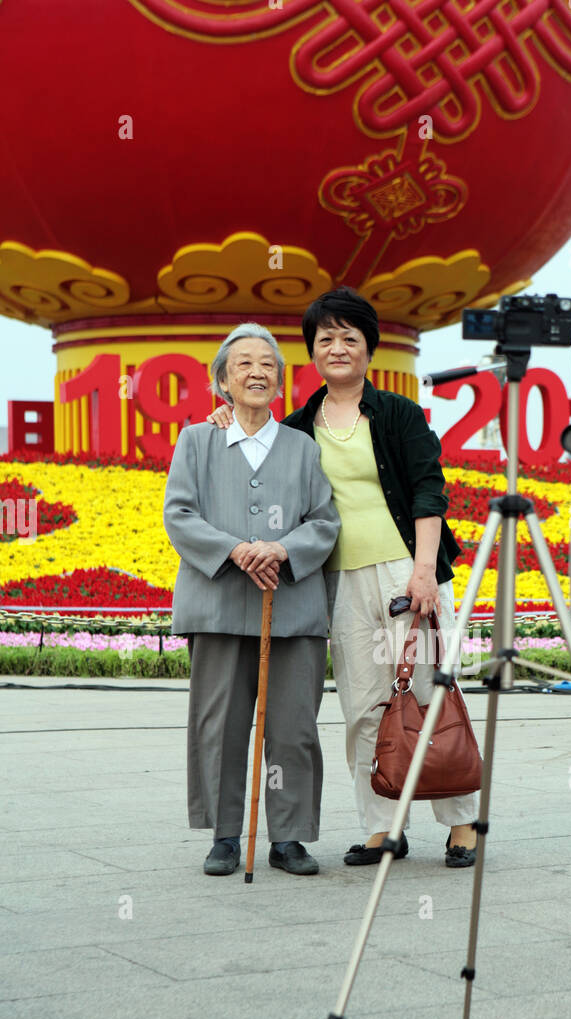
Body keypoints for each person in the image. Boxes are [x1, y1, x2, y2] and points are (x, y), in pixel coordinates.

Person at [209, 288, 479, 867]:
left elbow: (430, 491)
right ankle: (384, 826)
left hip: (409, 573)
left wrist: (426, 573)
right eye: (325, 338)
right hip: (338, 582)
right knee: (364, 704)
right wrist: (224, 413)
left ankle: (460, 824)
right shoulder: (299, 424)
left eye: (349, 338)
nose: (337, 348)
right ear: (312, 352)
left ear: (368, 350)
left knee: (430, 692)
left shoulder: (399, 413)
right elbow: (253, 444)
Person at [164, 322, 340, 876]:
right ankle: (223, 835)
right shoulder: (197, 440)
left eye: (268, 364)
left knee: (292, 725)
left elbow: (325, 521)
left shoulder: (302, 448)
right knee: (218, 724)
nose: (257, 371)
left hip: (291, 609)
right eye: (243, 363)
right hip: (216, 605)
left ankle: (288, 837)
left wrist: (283, 550)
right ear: (223, 379)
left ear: (281, 381)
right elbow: (180, 514)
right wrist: (238, 550)